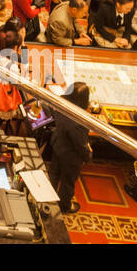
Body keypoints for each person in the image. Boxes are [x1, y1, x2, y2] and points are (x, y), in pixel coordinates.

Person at [45, 81, 92, 214]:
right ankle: (64, 206)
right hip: (70, 155)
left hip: (58, 144)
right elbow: (80, 144)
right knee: (68, 181)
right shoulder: (80, 119)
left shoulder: (61, 103)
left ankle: (48, 200)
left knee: (54, 173)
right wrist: (88, 156)